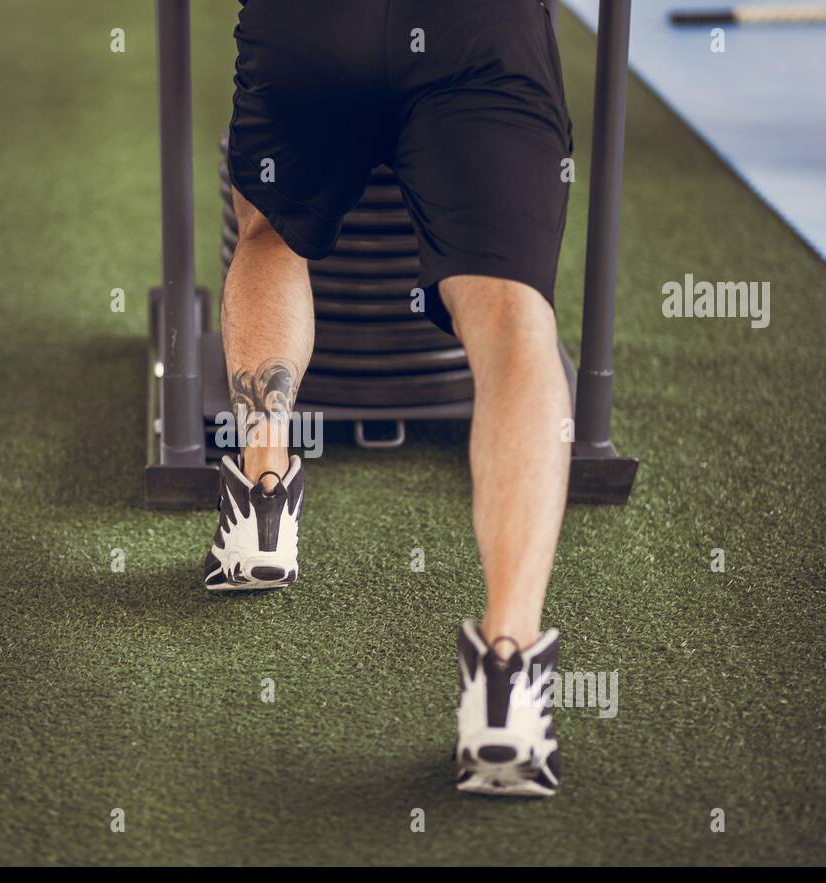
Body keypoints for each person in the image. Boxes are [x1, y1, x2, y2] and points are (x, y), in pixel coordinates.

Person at [204, 0, 572, 797]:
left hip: (312, 28)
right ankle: (505, 676)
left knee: (271, 232)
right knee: (512, 314)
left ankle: (264, 501)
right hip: (481, 32)